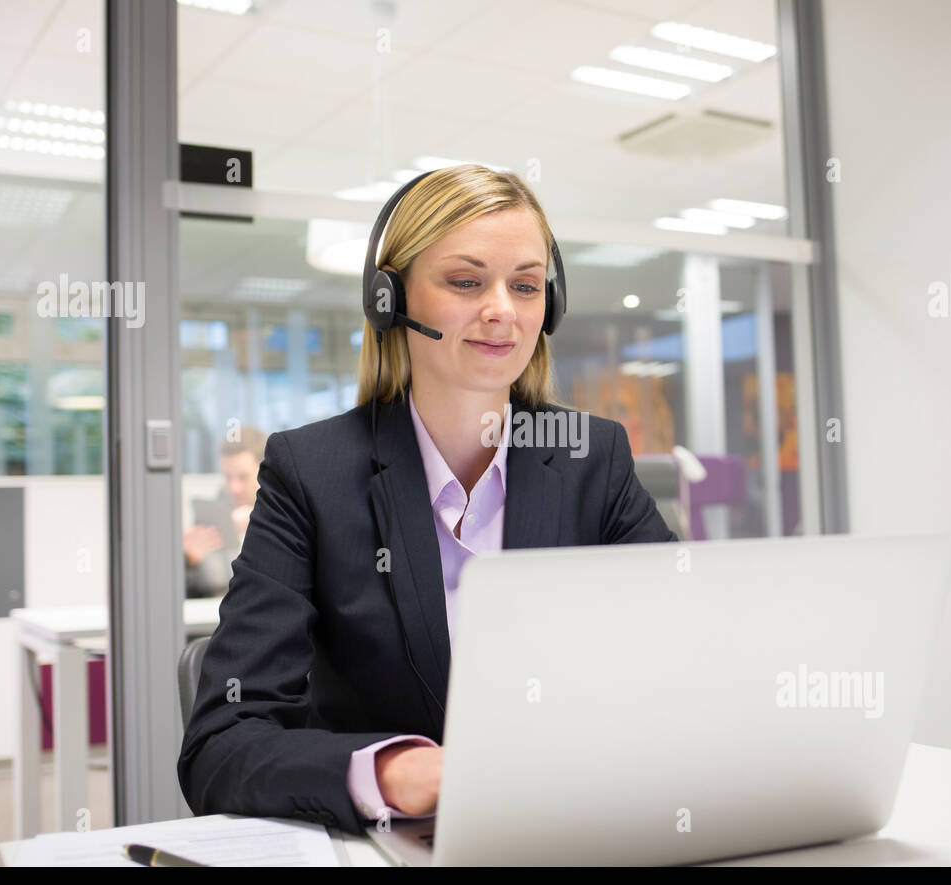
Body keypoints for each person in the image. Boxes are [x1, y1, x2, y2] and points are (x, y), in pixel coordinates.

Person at [177, 165, 677, 835]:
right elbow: (222, 743)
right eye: (466, 282)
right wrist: (391, 773)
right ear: (390, 299)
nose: (502, 308)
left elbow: (684, 662)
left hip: (571, 827)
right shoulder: (312, 474)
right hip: (400, 846)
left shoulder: (593, 461)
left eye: (526, 285)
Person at [182, 427, 267, 599]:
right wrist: (189, 562)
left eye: (243, 477)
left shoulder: (284, 516)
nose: (234, 487)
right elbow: (197, 592)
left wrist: (260, 523)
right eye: (228, 477)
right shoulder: (215, 515)